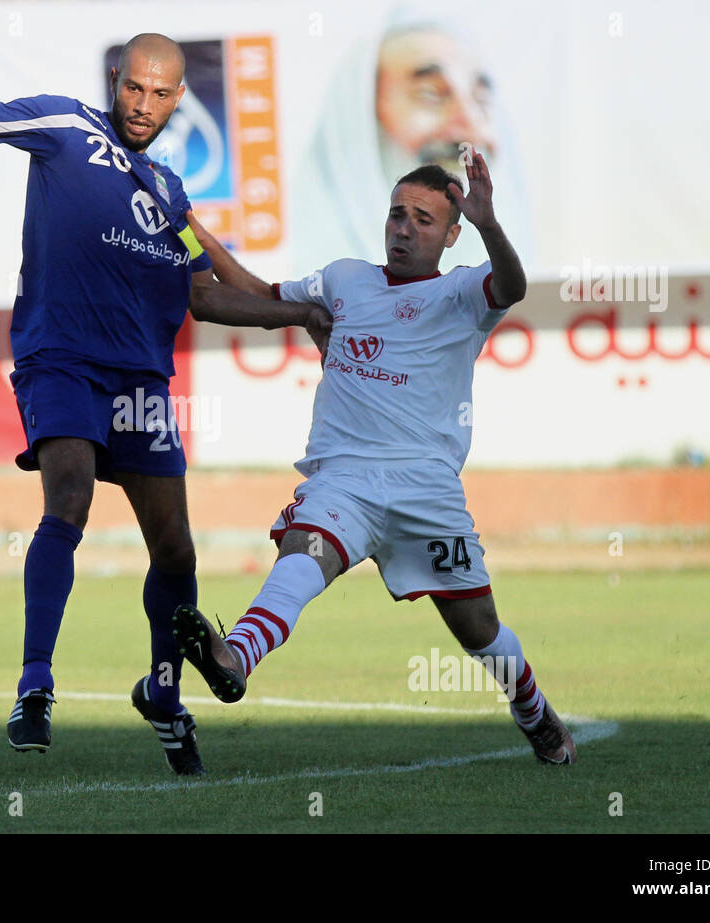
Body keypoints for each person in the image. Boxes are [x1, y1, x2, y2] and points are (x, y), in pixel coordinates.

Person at [0, 33, 330, 775]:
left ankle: (163, 694)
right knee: (68, 498)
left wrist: (296, 313)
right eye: (134, 88)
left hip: (140, 381)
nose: (144, 104)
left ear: (179, 100)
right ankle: (35, 684)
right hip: (60, 358)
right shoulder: (65, 126)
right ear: (115, 80)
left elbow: (205, 290)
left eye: (161, 95)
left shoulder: (169, 192)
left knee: (178, 551)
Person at [177, 151, 576, 765]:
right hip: (345, 478)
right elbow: (254, 293)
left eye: (423, 218)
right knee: (302, 556)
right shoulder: (344, 278)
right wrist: (192, 229)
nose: (404, 228)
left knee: (480, 633)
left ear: (451, 234)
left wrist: (492, 224)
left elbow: (513, 286)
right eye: (397, 214)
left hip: (426, 487)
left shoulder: (463, 290)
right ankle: (233, 657)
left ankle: (532, 711)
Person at [293, 8, 534, 274]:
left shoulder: (483, 287)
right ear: (361, 119)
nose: (469, 123)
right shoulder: (325, 282)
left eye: (481, 99)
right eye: (431, 94)